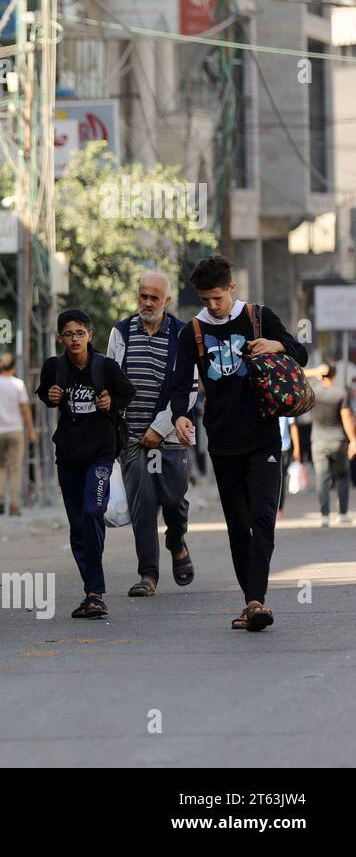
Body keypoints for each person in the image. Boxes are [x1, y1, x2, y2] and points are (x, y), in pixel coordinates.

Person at [171, 255, 308, 632]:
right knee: (238, 525)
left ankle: (255, 601)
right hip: (223, 442)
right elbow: (181, 384)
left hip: (263, 436)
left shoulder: (259, 317)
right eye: (205, 299)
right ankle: (252, 599)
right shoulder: (192, 332)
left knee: (263, 517)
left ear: (231, 287)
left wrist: (275, 346)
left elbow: (302, 353)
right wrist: (180, 415)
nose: (212, 306)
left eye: (217, 297)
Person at [36, 309, 134, 619]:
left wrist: (111, 404)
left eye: (80, 333)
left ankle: (95, 591)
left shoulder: (105, 366)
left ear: (90, 335)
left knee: (93, 512)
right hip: (68, 457)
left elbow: (127, 392)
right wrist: (50, 397)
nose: (75, 339)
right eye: (68, 334)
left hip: (101, 456)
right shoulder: (55, 367)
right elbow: (43, 394)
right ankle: (91, 591)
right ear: (60, 338)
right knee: (79, 526)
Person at [105, 272, 197, 596]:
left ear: (167, 301)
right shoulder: (120, 331)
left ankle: (176, 540)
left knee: (174, 498)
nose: (146, 302)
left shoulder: (184, 334)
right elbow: (111, 379)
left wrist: (160, 428)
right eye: (143, 296)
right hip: (131, 438)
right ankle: (148, 575)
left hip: (171, 435)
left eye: (154, 298)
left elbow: (190, 388)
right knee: (142, 504)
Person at [0, 352, 37, 516]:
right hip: (15, 430)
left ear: (0, 366)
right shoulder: (18, 384)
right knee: (14, 469)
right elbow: (26, 410)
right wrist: (32, 431)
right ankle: (14, 505)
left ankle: (0, 498)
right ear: (14, 367)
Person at [309, 363, 355, 526]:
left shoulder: (314, 391)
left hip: (318, 442)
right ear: (334, 376)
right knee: (343, 476)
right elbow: (347, 417)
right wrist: (354, 440)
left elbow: (297, 377)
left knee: (323, 479)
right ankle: (342, 513)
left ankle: (325, 516)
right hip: (338, 441)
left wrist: (314, 372)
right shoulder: (340, 393)